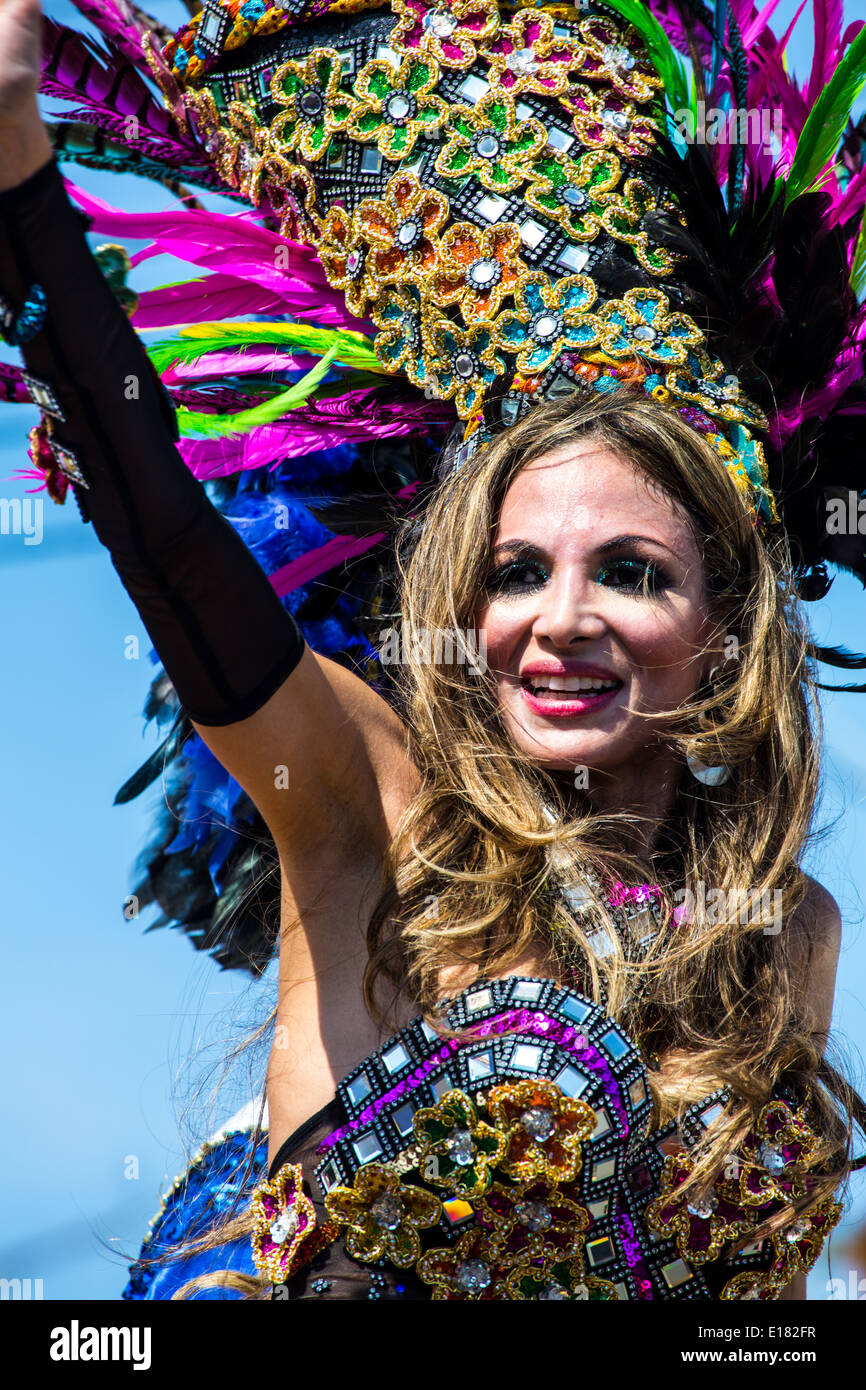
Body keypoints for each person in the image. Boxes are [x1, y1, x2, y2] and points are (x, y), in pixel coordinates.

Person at [2, 0, 865, 1301]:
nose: (557, 615)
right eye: (515, 572)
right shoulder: (365, 810)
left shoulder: (783, 931)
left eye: (626, 571)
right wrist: (16, 175)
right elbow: (170, 538)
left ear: (723, 627)